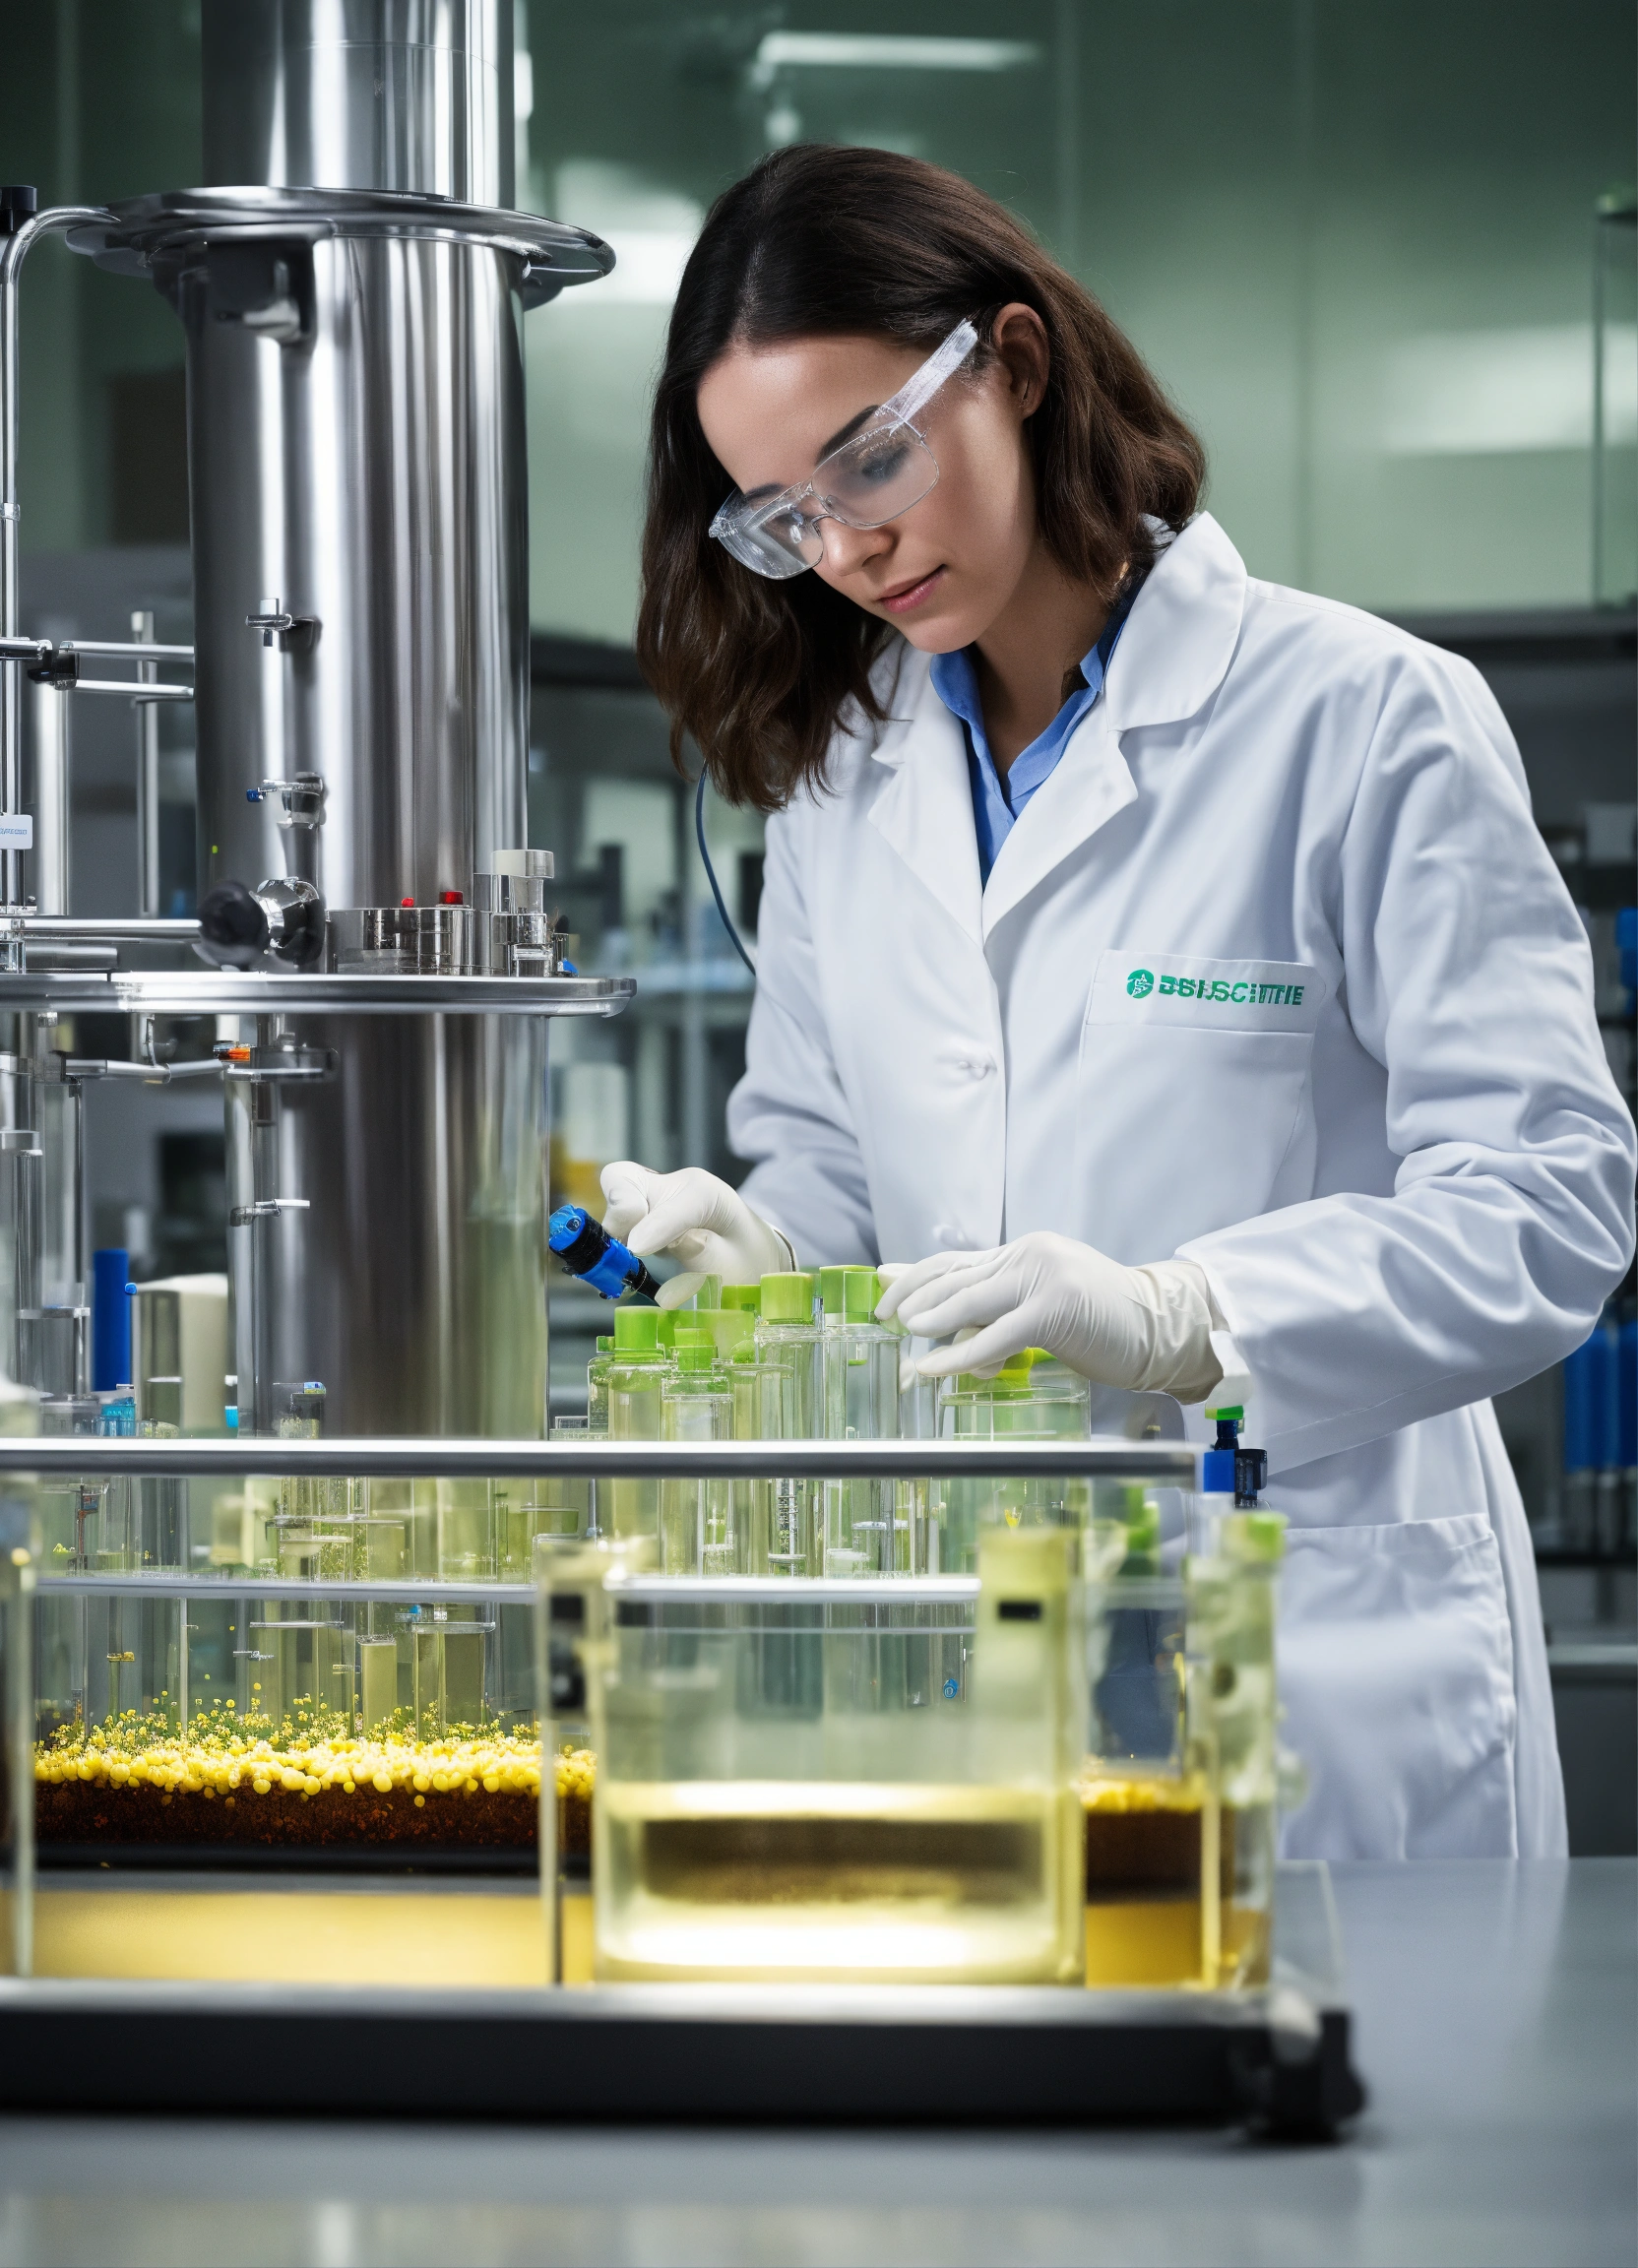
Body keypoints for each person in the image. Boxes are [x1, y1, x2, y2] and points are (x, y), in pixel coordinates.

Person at [599, 144, 1636, 1861]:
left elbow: (1548, 1210)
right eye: (787, 516)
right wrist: (769, 1258)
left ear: (1011, 364)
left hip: (1325, 1656)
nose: (848, 548)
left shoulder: (1364, 717)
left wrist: (1185, 1317)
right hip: (976, 1665)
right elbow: (844, 1185)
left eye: (870, 459)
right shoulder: (839, 796)